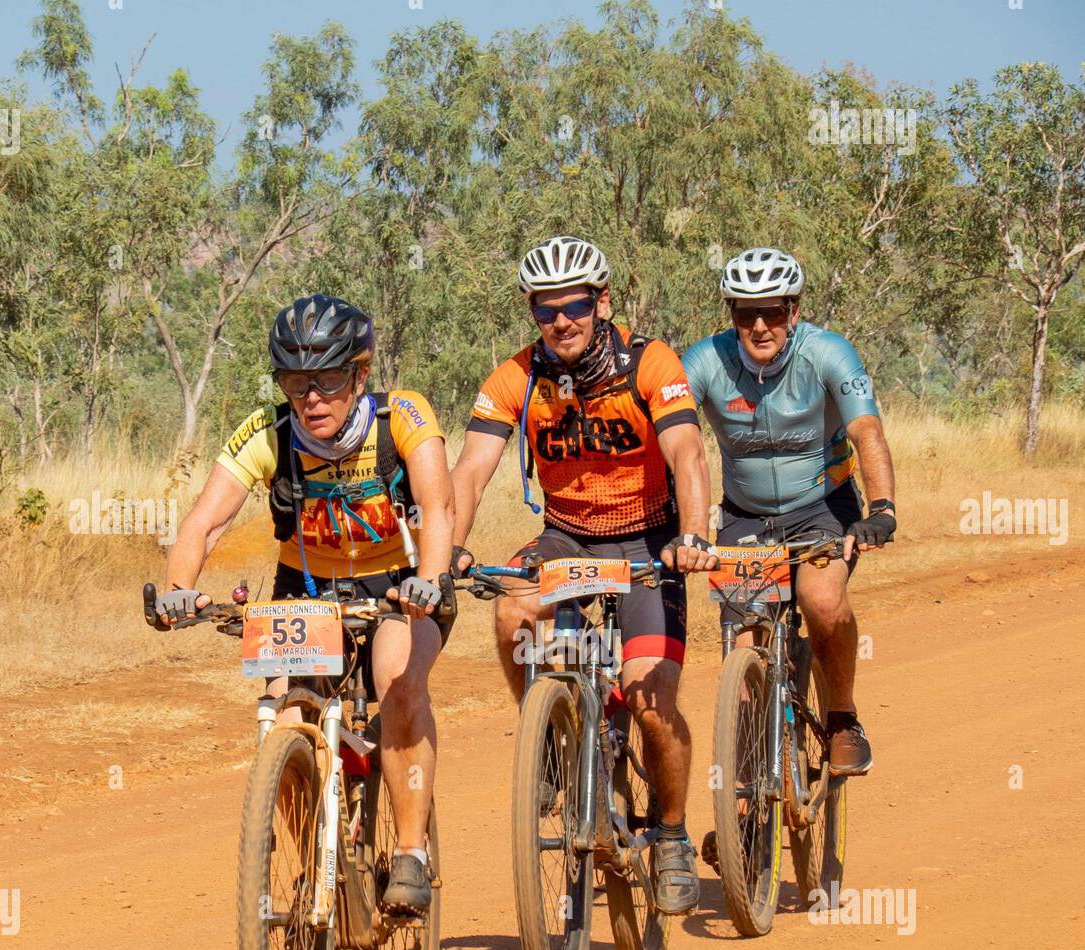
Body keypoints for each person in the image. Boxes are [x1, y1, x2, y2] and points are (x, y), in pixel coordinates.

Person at [152, 294, 455, 914]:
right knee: (281, 724)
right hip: (305, 593)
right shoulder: (268, 432)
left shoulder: (402, 417)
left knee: (397, 679)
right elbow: (206, 522)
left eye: (328, 379)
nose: (311, 397)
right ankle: (316, 866)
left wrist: (430, 577)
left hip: (399, 586)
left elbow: (439, 506)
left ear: (360, 375)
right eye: (295, 381)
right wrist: (179, 587)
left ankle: (410, 854)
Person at [450, 235, 718, 914]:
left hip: (650, 542)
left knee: (650, 699)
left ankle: (676, 833)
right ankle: (548, 741)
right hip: (566, 536)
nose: (561, 320)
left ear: (601, 301)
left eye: (574, 304)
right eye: (546, 309)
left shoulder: (648, 362)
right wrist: (445, 548)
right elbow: (470, 472)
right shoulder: (518, 377)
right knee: (511, 607)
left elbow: (686, 451)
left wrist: (693, 534)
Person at [682, 247, 896, 776]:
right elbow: (672, 435)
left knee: (821, 601)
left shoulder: (828, 352)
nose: (759, 326)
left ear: (793, 312)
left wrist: (883, 508)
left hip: (823, 506)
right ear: (730, 315)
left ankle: (843, 718)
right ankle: (751, 801)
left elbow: (866, 430)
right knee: (747, 640)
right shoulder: (706, 360)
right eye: (745, 313)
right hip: (745, 516)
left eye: (773, 312)